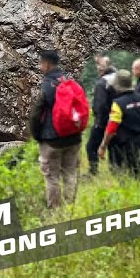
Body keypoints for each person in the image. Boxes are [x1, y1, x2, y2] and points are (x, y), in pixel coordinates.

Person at [29, 49, 81, 207]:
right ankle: (71, 207)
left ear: (46, 64)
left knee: (52, 177)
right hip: (73, 138)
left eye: (41, 63)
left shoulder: (47, 85)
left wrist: (38, 136)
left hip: (52, 140)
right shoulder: (69, 81)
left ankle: (56, 212)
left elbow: (36, 114)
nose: (40, 66)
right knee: (70, 173)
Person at [98, 70, 140, 177]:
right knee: (139, 174)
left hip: (121, 145)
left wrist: (103, 145)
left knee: (121, 175)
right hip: (139, 142)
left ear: (117, 85)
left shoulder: (118, 103)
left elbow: (111, 128)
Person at [85, 56, 117, 175]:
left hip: (104, 121)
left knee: (91, 146)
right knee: (114, 147)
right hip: (120, 119)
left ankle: (93, 172)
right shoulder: (119, 77)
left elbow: (101, 105)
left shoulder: (102, 83)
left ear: (101, 70)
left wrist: (99, 123)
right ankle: (115, 171)